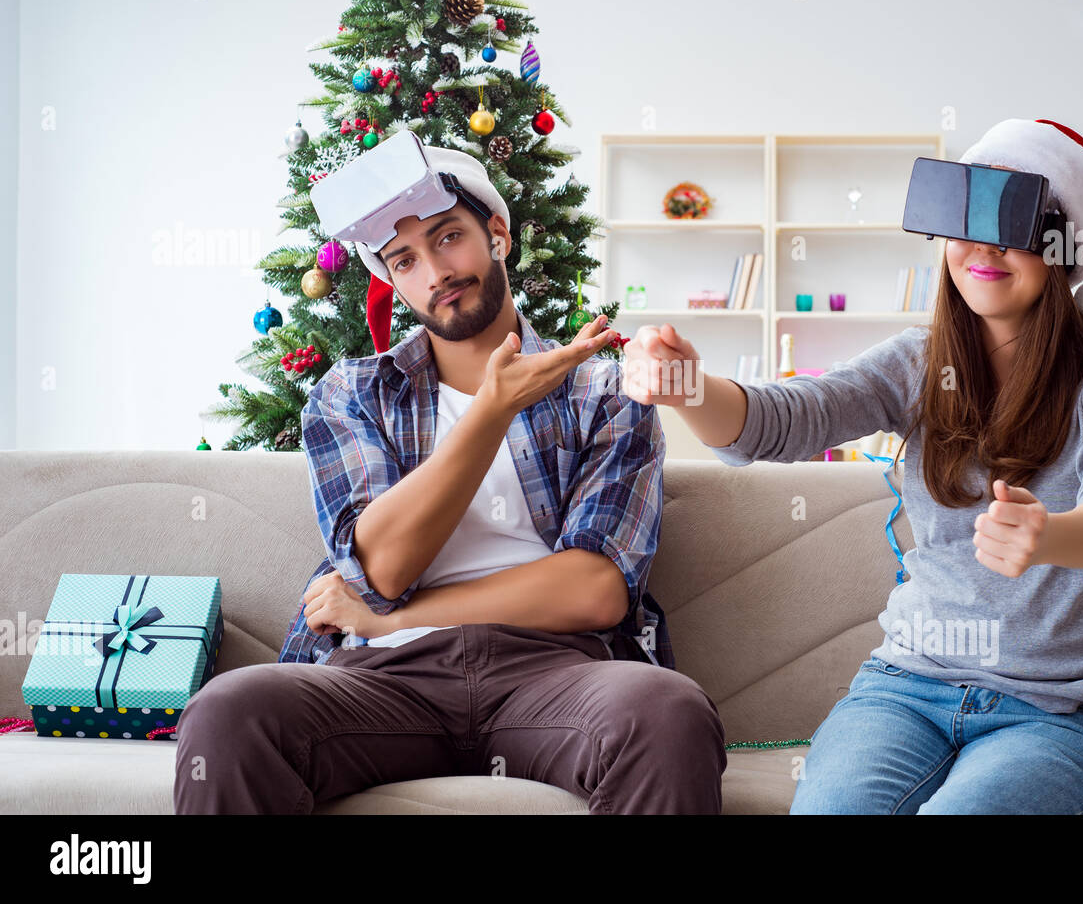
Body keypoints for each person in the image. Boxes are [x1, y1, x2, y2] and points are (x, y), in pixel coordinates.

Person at [623, 117, 1083, 814]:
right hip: (906, 686)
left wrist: (1051, 534)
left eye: (1016, 222)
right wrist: (692, 390)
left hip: (1057, 712)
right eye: (965, 216)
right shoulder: (918, 362)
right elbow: (784, 418)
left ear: (1066, 247)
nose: (982, 246)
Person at [173, 142, 725, 814]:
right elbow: (381, 567)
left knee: (667, 711)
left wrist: (393, 618)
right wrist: (491, 412)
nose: (435, 271)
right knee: (228, 712)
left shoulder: (601, 390)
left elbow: (596, 591)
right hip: (381, 680)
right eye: (405, 260)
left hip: (554, 673)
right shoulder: (353, 394)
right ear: (394, 282)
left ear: (497, 235)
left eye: (449, 237)